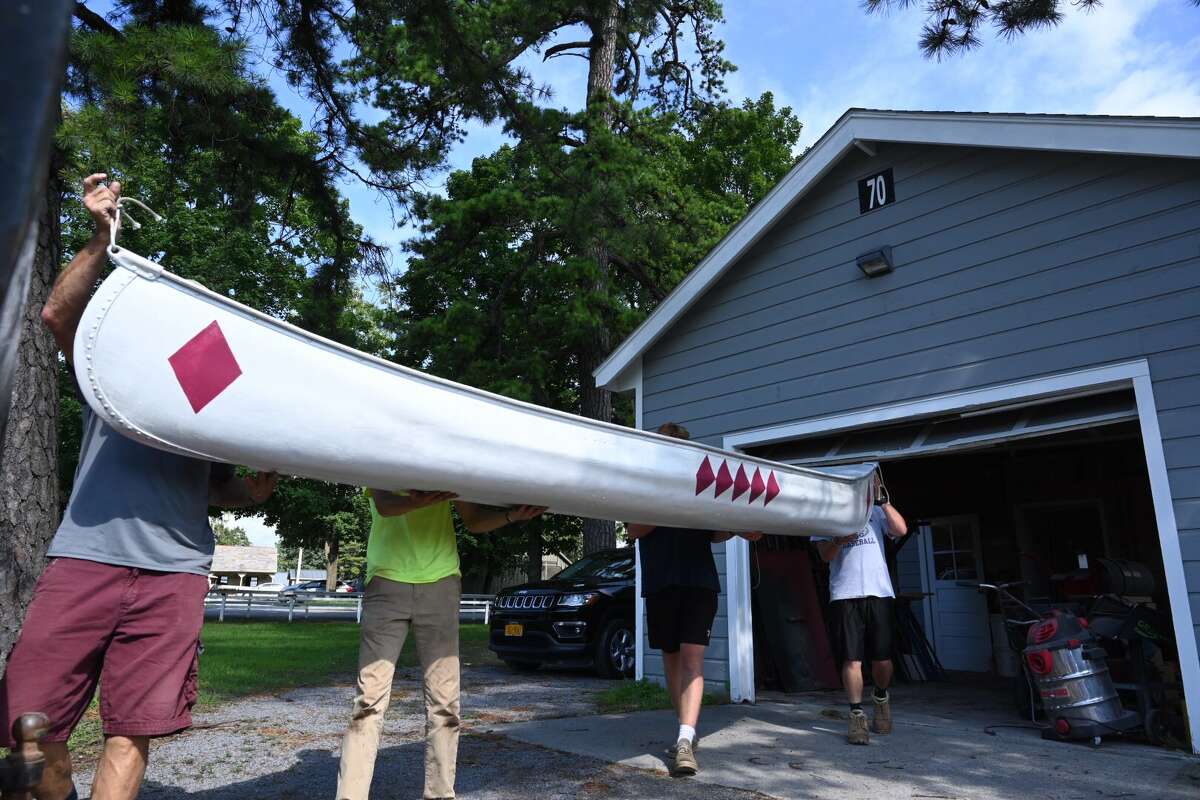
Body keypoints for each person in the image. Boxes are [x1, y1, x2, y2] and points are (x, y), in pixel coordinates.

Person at [0, 173, 279, 800]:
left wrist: (253, 495)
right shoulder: (112, 373)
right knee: (28, 725)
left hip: (174, 574)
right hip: (86, 558)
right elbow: (56, 313)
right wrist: (101, 239)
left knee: (132, 732)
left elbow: (217, 489)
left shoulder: (218, 408)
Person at [337, 488, 546, 800]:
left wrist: (511, 515)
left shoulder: (449, 467)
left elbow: (473, 520)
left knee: (445, 704)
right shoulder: (384, 459)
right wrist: (415, 500)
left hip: (441, 585)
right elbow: (384, 505)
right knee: (368, 702)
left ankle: (440, 794)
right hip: (386, 584)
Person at [627, 422, 763, 777]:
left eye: (679, 446)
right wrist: (670, 500)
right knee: (671, 659)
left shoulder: (701, 484)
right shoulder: (644, 483)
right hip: (660, 583)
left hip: (699, 581)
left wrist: (739, 527)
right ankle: (684, 730)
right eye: (667, 445)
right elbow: (634, 529)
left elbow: (714, 532)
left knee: (692, 658)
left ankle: (685, 741)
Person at [814, 472, 908, 745]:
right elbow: (824, 556)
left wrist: (883, 501)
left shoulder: (875, 511)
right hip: (845, 594)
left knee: (882, 659)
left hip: (879, 592)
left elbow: (901, 530)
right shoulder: (827, 516)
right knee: (851, 659)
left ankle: (880, 697)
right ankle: (856, 715)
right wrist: (839, 541)